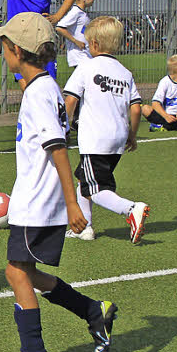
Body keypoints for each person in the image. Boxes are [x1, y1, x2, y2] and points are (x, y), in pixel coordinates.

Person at [0, 12, 117, 352]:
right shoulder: (43, 87)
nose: (2, 50)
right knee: (25, 272)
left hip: (39, 202)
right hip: (38, 199)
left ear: (16, 51)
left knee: (16, 272)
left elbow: (58, 148)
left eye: (4, 45)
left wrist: (73, 202)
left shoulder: (39, 93)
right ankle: (93, 311)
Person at [61, 17, 148, 243]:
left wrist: (63, 128)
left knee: (95, 188)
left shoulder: (85, 67)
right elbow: (136, 108)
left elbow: (70, 100)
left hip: (95, 138)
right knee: (84, 178)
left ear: (95, 44)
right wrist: (132, 134)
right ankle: (85, 228)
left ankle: (131, 209)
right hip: (117, 139)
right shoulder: (125, 72)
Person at [54, 0, 101, 130]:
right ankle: (73, 120)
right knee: (82, 88)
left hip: (85, 56)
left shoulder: (81, 13)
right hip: (80, 57)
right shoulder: (75, 12)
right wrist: (75, 41)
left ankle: (77, 118)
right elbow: (60, 27)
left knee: (85, 87)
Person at [141, 54, 177, 131]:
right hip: (165, 116)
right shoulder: (164, 82)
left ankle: (164, 126)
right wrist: (166, 116)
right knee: (145, 109)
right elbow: (155, 103)